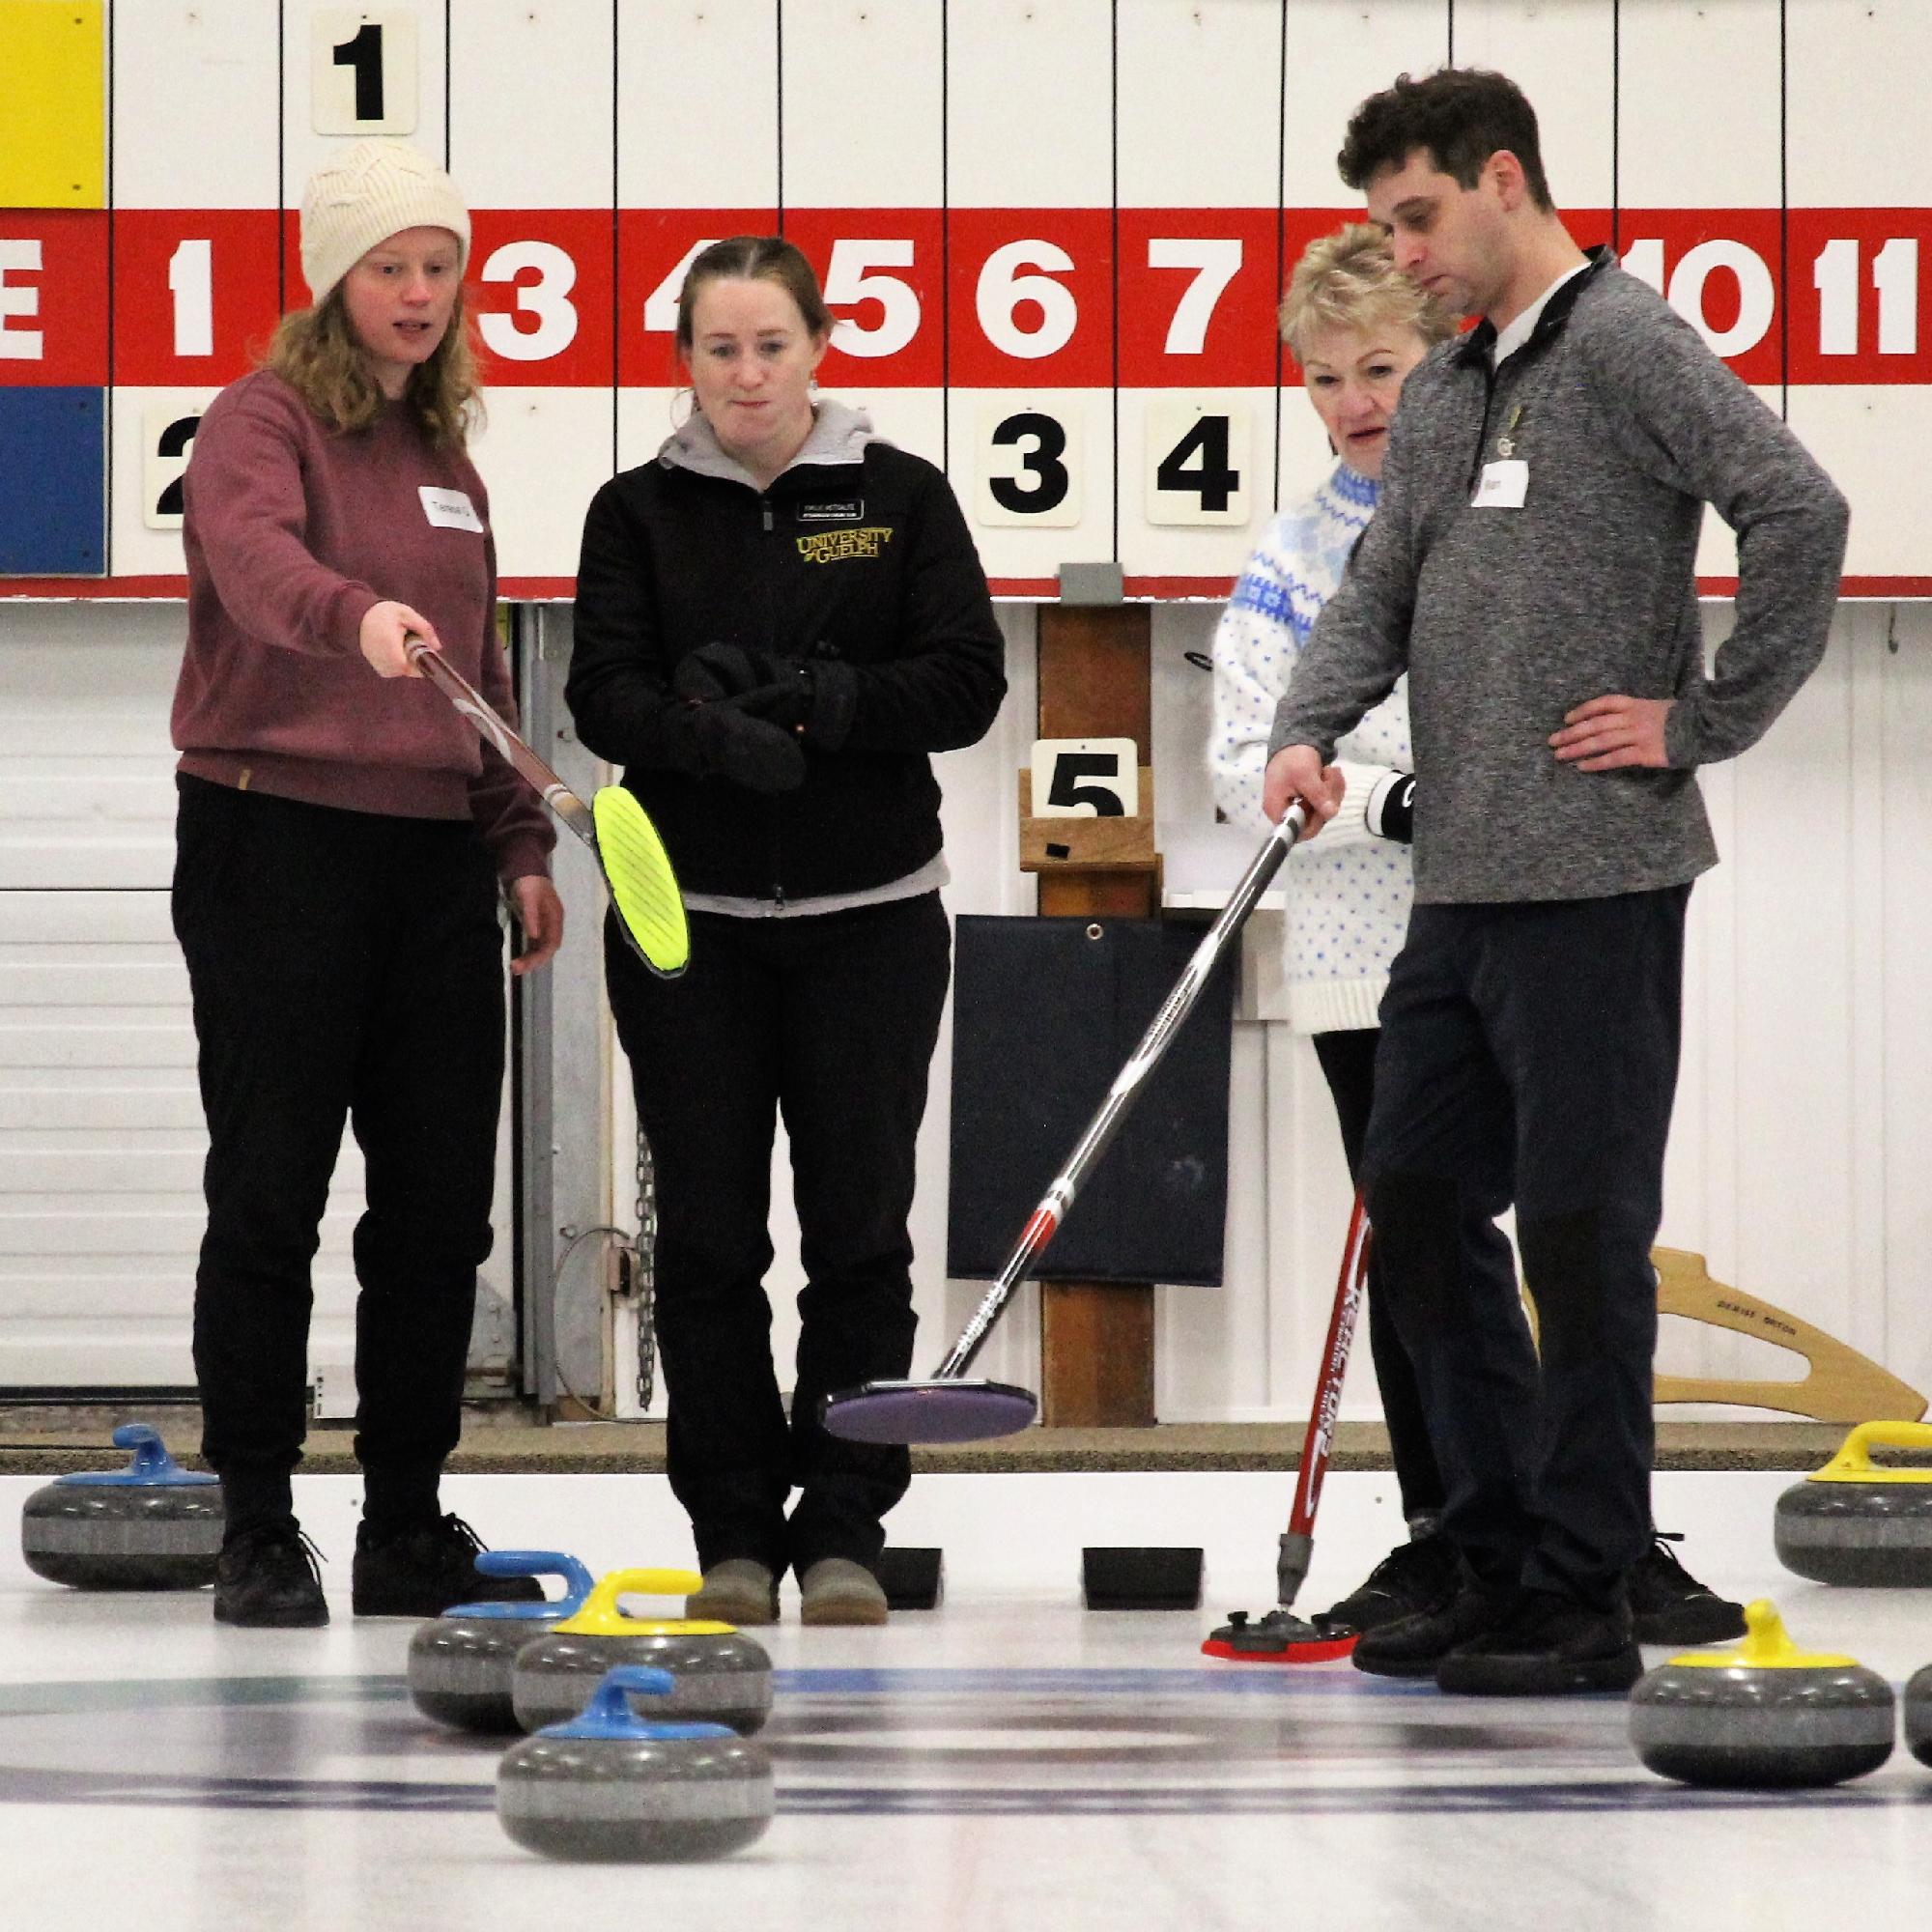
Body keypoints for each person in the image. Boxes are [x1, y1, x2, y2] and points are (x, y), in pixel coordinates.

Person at [1263, 71, 1848, 1695]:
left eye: (1421, 216)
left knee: (1585, 1232)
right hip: (1461, 885)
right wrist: (1308, 727)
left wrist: (1704, 720)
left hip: (1600, 874)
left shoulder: (1631, 345)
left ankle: (1590, 1590)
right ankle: (1500, 1549)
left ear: (1504, 182)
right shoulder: (1451, 387)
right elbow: (1383, 583)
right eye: (1388, 222)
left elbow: (1797, 508)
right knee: (1424, 1198)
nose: (1407, 250)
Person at [1213, 224, 1745, 1650]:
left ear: (1439, 362)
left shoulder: (1510, 481)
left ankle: (1595, 1548)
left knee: (1568, 1227)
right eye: (1323, 379)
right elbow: (1256, 742)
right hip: (1359, 955)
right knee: (1421, 1236)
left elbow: (1520, 693)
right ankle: (1462, 1533)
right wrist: (1388, 793)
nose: (1353, 401)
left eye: (1379, 366)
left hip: (1530, 903)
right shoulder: (1295, 548)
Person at [566, 237, 1007, 1627]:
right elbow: (601, 695)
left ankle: (846, 1531)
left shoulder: (903, 498)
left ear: (822, 344)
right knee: (705, 1242)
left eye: (769, 344)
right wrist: (701, 734)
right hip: (684, 933)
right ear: (683, 359)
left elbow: (966, 684)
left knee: (859, 1238)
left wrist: (815, 702)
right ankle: (734, 1538)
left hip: (870, 926)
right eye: (717, 348)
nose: (745, 375)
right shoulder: (633, 513)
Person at [171, 140, 563, 1627]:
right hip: (275, 843)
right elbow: (256, 563)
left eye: (438, 266)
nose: (418, 291)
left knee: (437, 1211)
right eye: (390, 265)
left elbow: (479, 674)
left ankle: (405, 1514)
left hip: (428, 863)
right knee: (269, 1194)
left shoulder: (449, 464)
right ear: (333, 277)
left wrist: (517, 840)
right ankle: (259, 1523)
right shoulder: (259, 424)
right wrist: (355, 615)